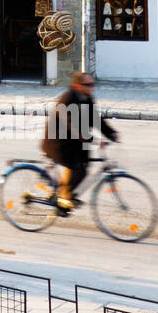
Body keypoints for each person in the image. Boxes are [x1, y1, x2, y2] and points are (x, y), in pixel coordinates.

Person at [42, 70, 118, 210]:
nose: (92, 87)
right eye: (88, 84)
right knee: (78, 168)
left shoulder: (87, 97)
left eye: (93, 84)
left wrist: (111, 134)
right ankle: (64, 198)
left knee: (84, 167)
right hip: (57, 142)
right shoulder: (67, 99)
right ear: (78, 86)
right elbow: (73, 125)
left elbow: (96, 119)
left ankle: (64, 196)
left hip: (75, 141)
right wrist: (92, 139)